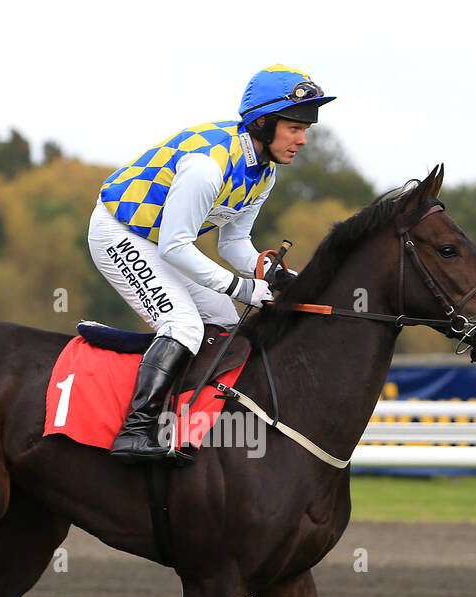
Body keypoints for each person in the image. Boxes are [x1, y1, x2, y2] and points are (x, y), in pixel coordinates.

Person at [88, 64, 335, 463]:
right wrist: (241, 288)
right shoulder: (208, 167)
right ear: (264, 124)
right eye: (295, 128)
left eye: (306, 129)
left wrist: (279, 277)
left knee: (221, 317)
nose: (303, 140)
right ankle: (134, 431)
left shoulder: (263, 171)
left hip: (161, 240)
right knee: (184, 322)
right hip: (120, 233)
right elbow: (175, 247)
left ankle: (186, 416)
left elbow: (234, 241)